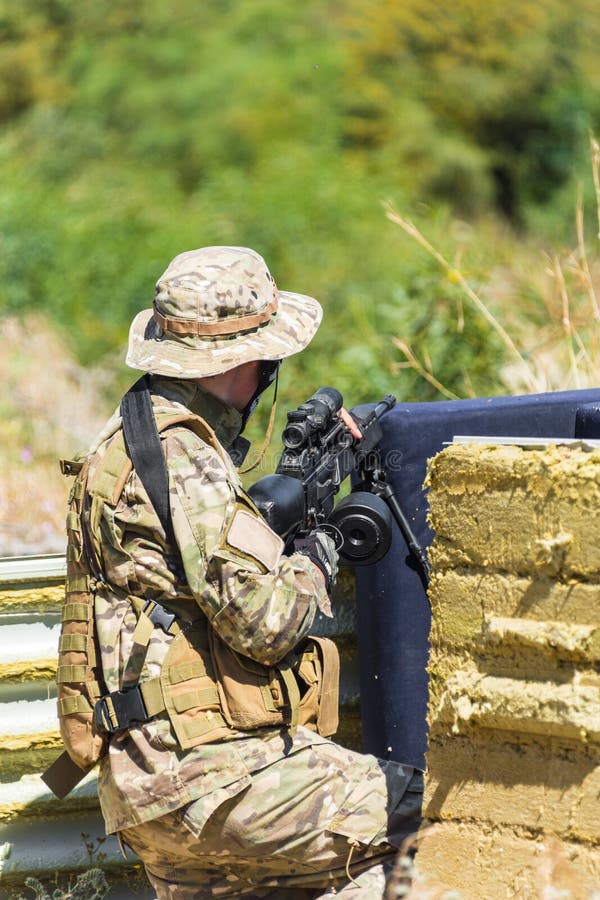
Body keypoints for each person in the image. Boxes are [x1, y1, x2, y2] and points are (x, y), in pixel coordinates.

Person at [58, 246, 423, 898]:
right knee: (438, 812)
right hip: (212, 780)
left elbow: (197, 571)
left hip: (153, 789)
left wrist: (297, 494)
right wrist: (323, 544)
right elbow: (265, 626)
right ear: (246, 363)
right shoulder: (183, 458)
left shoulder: (134, 439)